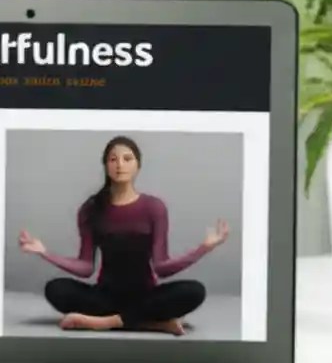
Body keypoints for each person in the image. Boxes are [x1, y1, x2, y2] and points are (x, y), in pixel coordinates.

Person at [18, 135, 229, 335]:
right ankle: (152, 324)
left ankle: (105, 322)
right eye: (113, 159)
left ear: (138, 165)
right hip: (104, 297)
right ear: (106, 166)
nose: (120, 164)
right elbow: (85, 267)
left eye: (127, 159)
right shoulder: (91, 209)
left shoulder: (154, 207)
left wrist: (204, 248)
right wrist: (44, 252)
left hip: (146, 295)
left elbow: (162, 267)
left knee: (194, 291)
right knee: (56, 288)